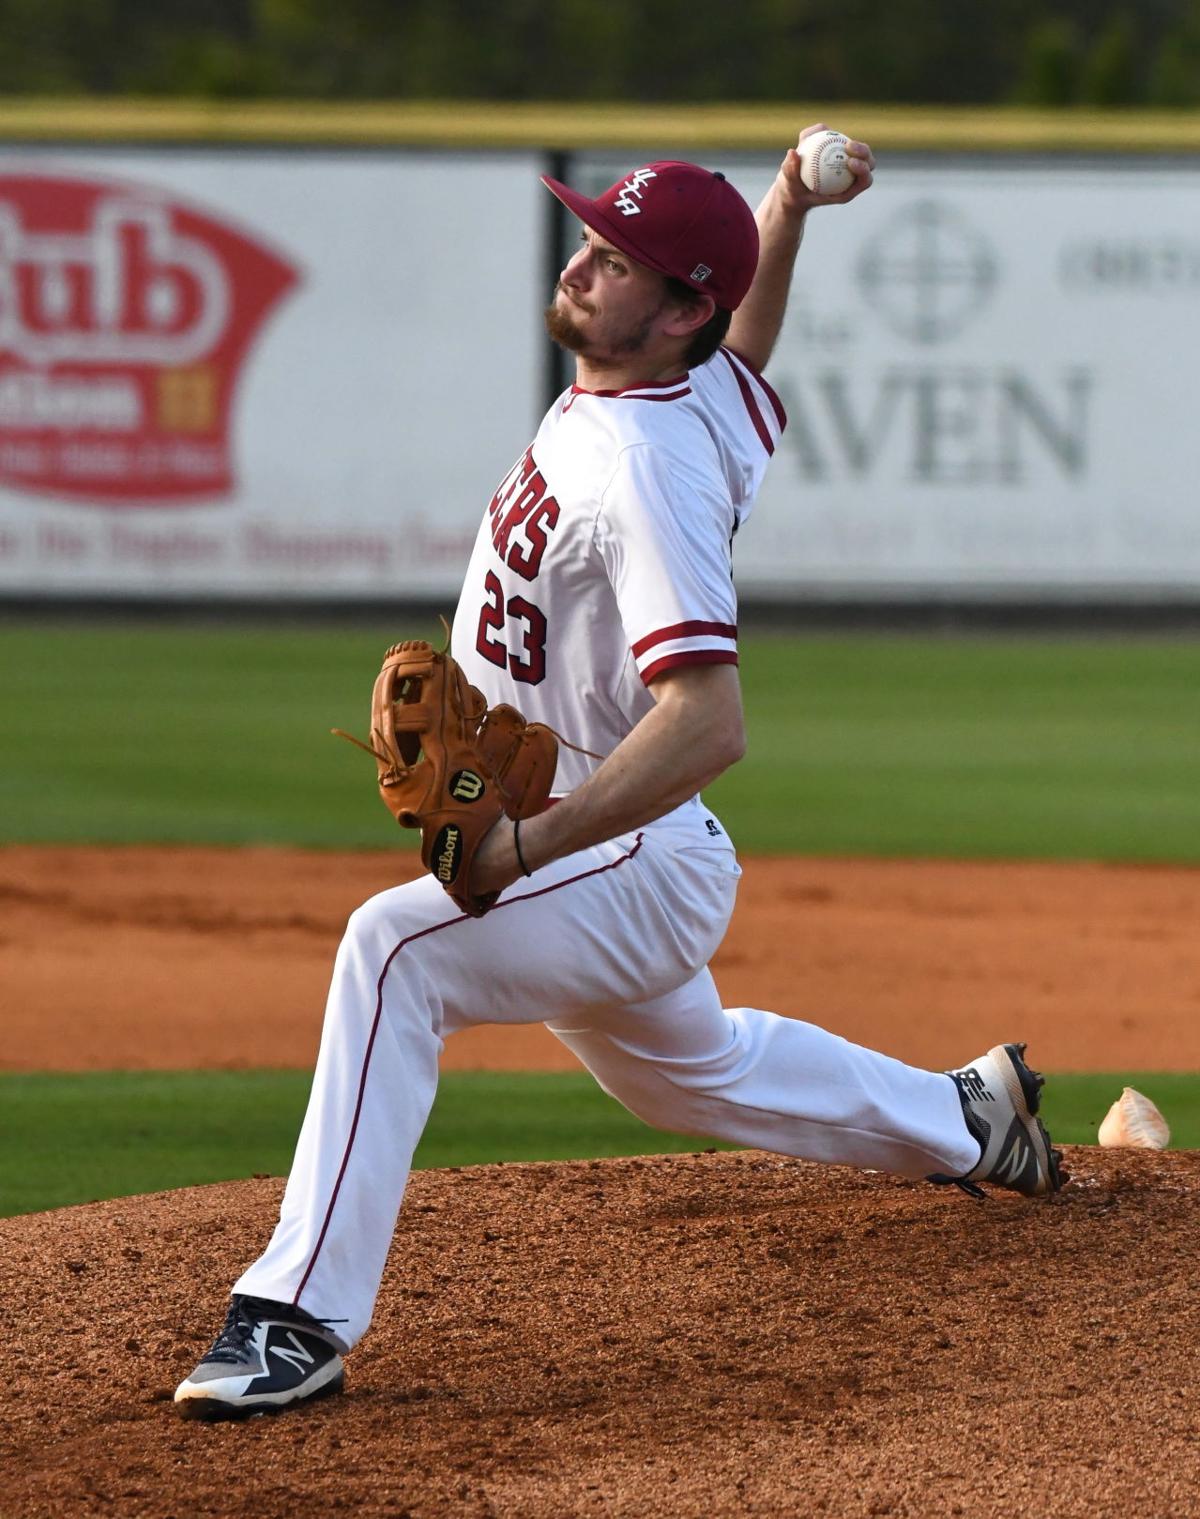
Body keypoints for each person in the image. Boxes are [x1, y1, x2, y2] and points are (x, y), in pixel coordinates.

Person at [174, 125, 1064, 1421]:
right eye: (595, 237)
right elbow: (745, 345)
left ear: (677, 312)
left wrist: (528, 851)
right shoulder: (682, 387)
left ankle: (291, 1318)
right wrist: (789, 201)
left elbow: (708, 719)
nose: (589, 262)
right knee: (683, 1067)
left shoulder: (646, 469)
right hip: (617, 842)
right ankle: (966, 1117)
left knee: (393, 954)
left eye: (624, 259)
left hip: (621, 848)